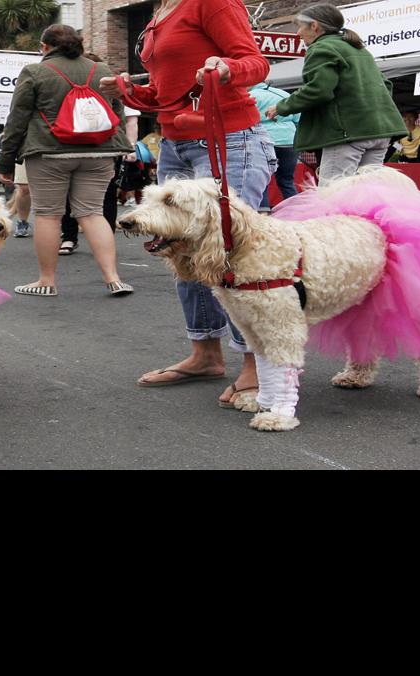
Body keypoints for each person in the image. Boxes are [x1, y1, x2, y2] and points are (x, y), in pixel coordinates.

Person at [99, 0, 273, 405]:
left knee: (231, 252)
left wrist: (229, 69)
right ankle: (205, 353)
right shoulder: (160, 12)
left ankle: (256, 364)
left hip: (229, 136)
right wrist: (130, 90)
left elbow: (255, 63)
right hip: (176, 143)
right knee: (181, 250)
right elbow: (168, 93)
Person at [0, 24, 133, 298]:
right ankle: (113, 278)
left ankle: (46, 281)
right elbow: (116, 110)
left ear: (44, 47)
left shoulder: (35, 72)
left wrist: (5, 161)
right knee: (92, 213)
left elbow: (17, 119)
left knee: (48, 214)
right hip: (98, 151)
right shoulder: (101, 70)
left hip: (49, 152)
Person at [263, 4, 405, 182]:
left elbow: (319, 89)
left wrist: (281, 107)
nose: (298, 33)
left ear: (314, 26)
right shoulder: (359, 49)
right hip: (381, 131)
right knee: (369, 194)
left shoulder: (322, 48)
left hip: (347, 134)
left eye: (300, 26)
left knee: (333, 195)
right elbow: (386, 84)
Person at [57, 58, 139, 255]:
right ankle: (69, 237)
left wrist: (130, 147)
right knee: (69, 193)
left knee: (108, 193)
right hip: (75, 146)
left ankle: (105, 238)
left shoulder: (111, 87)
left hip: (107, 148)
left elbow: (129, 120)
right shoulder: (70, 88)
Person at [249, 81, 298, 209]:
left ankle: (263, 213)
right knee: (287, 181)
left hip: (264, 142)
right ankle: (296, 211)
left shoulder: (250, 96)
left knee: (261, 180)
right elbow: (299, 119)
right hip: (289, 141)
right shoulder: (284, 94)